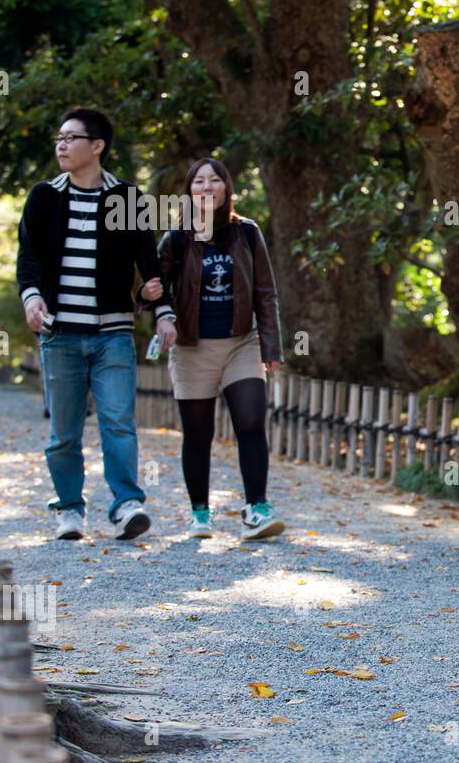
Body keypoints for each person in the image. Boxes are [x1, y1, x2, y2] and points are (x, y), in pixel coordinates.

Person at [16, 107, 175, 541]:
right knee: (63, 433)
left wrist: (163, 312)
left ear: (97, 146)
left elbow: (149, 261)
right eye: (59, 138)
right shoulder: (44, 197)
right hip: (60, 334)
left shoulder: (126, 199)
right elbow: (28, 258)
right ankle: (69, 509)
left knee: (118, 422)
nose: (61, 145)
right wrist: (31, 298)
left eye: (71, 138)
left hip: (113, 334)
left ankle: (127, 504)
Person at [154, 158, 285, 540]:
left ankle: (256, 508)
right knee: (198, 434)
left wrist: (271, 345)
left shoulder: (246, 233)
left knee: (250, 422)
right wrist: (157, 308)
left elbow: (266, 292)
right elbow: (154, 289)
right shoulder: (177, 237)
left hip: (241, 344)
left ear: (227, 188)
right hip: (193, 348)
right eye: (198, 181)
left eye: (215, 180)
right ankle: (199, 513)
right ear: (189, 190)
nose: (206, 187)